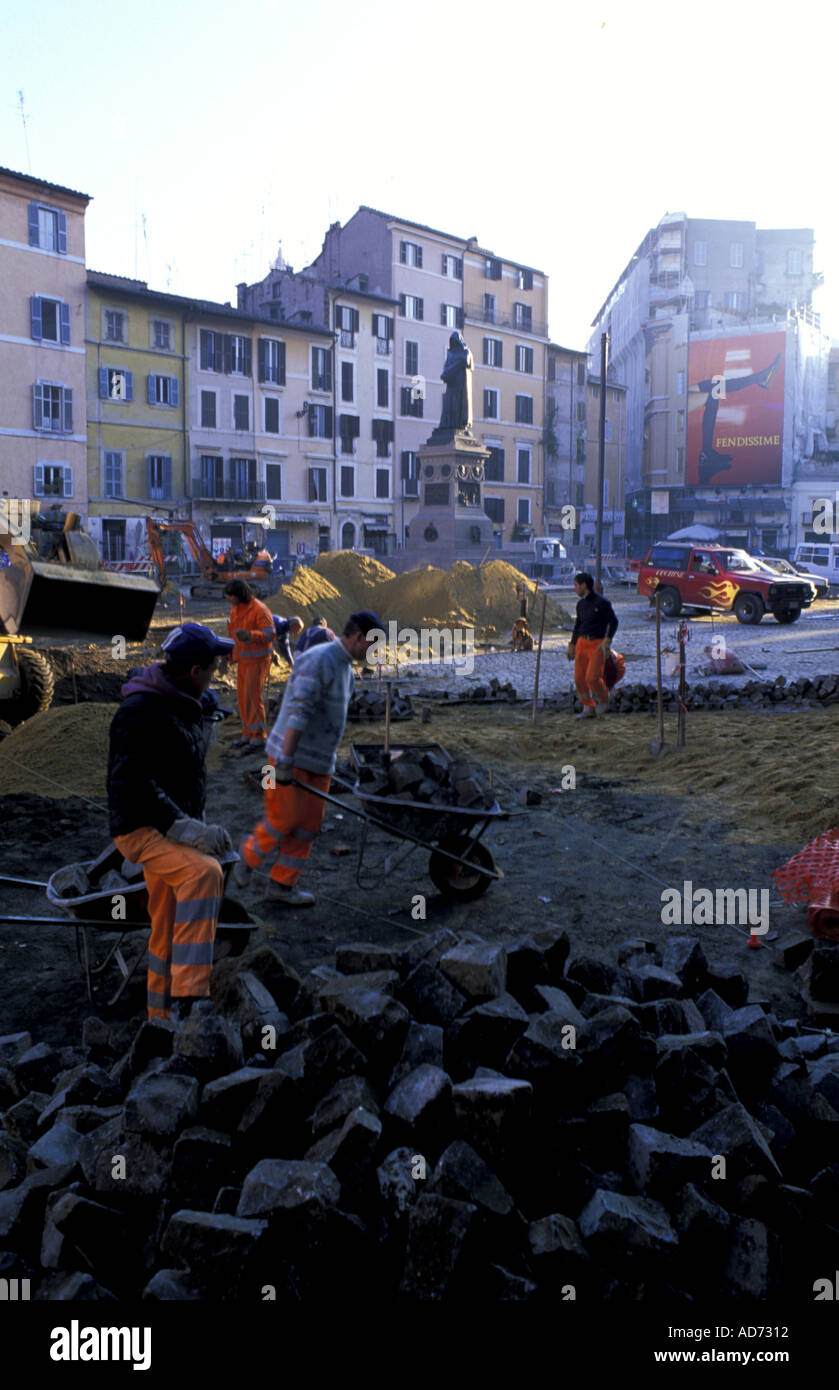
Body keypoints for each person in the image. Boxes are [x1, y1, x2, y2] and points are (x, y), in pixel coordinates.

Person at [107, 622, 235, 1022]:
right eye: (212, 668)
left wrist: (206, 703)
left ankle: (159, 1021)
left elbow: (196, 704)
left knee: (166, 921)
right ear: (194, 671)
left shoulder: (178, 696)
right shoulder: (139, 713)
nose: (215, 675)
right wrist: (190, 831)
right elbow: (132, 784)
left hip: (169, 824)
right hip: (142, 828)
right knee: (204, 875)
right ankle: (189, 997)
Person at [234, 610, 381, 906]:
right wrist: (286, 760)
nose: (374, 651)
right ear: (358, 637)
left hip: (318, 764)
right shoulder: (319, 661)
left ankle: (281, 886)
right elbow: (299, 712)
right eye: (372, 644)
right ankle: (246, 859)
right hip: (287, 759)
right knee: (282, 818)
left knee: (308, 826)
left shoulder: (345, 671)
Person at [225, 579, 276, 748]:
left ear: (240, 595)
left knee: (253, 697)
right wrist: (229, 656)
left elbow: (269, 635)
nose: (228, 599)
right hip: (244, 660)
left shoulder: (260, 610)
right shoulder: (236, 609)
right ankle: (248, 733)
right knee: (242, 697)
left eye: (230, 596)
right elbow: (233, 633)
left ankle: (259, 736)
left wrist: (250, 636)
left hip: (258, 660)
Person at [567, 572, 619, 718]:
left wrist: (608, 639)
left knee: (592, 677)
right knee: (579, 678)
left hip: (597, 644)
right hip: (582, 643)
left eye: (576, 585)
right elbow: (578, 625)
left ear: (584, 586)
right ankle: (588, 707)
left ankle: (604, 699)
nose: (574, 588)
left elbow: (614, 622)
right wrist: (572, 644)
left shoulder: (602, 603)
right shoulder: (581, 604)